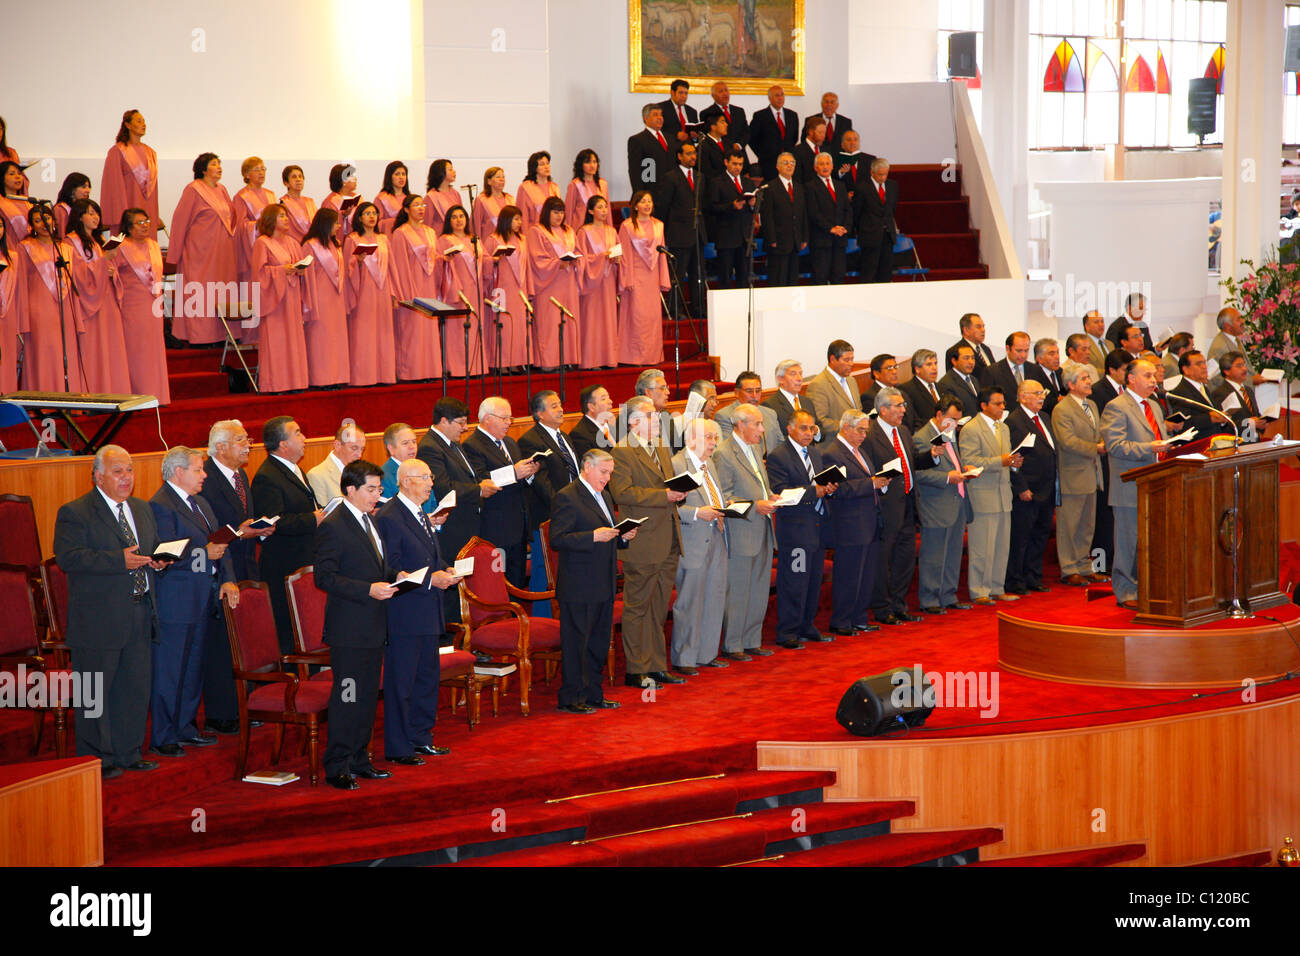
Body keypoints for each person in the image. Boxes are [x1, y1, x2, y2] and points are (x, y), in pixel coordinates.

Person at [53, 445, 165, 779]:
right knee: (96, 692)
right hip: (99, 618)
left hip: (139, 611)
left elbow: (147, 550)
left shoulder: (142, 509)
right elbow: (70, 558)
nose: (126, 477)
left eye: (129, 470)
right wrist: (120, 561)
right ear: (98, 475)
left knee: (134, 687)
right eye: (118, 471)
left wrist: (157, 562)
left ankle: (128, 753)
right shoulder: (76, 512)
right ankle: (95, 760)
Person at [315, 459, 400, 790]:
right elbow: (324, 577)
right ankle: (337, 765)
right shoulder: (334, 526)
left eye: (379, 489)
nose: (377, 495)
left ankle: (360, 759)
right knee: (348, 696)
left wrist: (397, 576)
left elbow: (378, 568)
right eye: (371, 489)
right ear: (350, 490)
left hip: (373, 626)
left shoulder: (370, 520)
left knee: (365, 697)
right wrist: (368, 590)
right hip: (349, 630)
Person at [148, 446, 237, 758]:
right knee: (171, 670)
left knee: (193, 668)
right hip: (176, 599)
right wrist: (203, 554)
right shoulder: (160, 505)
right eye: (199, 469)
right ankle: (163, 734)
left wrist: (227, 577)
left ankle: (185, 726)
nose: (204, 474)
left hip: (204, 597)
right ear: (178, 472)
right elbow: (164, 552)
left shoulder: (200, 502)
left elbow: (219, 542)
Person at [374, 458, 458, 760]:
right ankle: (398, 747)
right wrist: (429, 580)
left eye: (431, 476)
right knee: (402, 682)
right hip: (405, 613)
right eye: (425, 477)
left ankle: (421, 736)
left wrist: (445, 569)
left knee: (426, 678)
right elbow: (392, 567)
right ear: (406, 480)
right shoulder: (389, 516)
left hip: (428, 610)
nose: (431, 483)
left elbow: (430, 557)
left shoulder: (420, 512)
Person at [198, 420, 273, 734]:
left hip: (244, 566)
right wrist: (239, 534)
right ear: (221, 447)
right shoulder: (206, 478)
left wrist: (257, 531)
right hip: (214, 572)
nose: (248, 445)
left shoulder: (241, 474)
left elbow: (243, 523)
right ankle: (221, 713)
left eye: (248, 439)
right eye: (241, 440)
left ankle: (244, 704)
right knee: (220, 645)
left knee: (242, 641)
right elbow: (204, 531)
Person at [609, 395, 688, 688]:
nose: (658, 421)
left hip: (667, 536)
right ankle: (636, 668)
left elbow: (666, 485)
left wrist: (679, 492)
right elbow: (623, 493)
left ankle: (656, 665)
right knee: (638, 606)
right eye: (652, 417)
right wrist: (663, 496)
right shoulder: (622, 451)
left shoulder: (661, 447)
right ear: (633, 422)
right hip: (643, 539)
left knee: (658, 606)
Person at [550, 448, 634, 713]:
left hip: (604, 581)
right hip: (579, 584)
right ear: (587, 466)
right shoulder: (567, 496)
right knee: (578, 643)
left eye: (610, 473)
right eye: (603, 472)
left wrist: (622, 537)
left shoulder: (605, 496)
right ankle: (571, 698)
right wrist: (591, 537)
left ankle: (594, 694)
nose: (607, 478)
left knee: (598, 642)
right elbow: (558, 539)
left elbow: (608, 533)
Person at [711, 402, 779, 658]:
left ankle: (752, 639)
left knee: (759, 588)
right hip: (741, 530)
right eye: (757, 424)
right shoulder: (725, 453)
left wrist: (771, 496)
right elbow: (725, 497)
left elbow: (761, 484)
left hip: (762, 527)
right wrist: (755, 506)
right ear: (741, 425)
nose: (762, 430)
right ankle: (733, 644)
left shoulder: (753, 447)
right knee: (739, 589)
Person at [1101, 359, 1171, 609]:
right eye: (1148, 375)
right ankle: (1126, 591)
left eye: (1155, 376)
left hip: (1157, 482)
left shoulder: (1154, 405)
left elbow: (1161, 439)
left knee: (1152, 541)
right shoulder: (1116, 407)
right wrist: (1149, 448)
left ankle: (1149, 586)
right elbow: (1115, 446)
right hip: (1130, 485)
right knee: (1129, 542)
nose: (1154, 380)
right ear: (1131, 378)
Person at [765, 409, 838, 648]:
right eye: (804, 428)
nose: (809, 433)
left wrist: (827, 487)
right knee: (795, 581)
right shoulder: (779, 456)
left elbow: (817, 484)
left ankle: (807, 625)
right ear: (790, 429)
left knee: (813, 580)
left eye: (812, 428)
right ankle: (788, 631)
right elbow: (780, 492)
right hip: (795, 532)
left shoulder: (816, 454)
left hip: (817, 527)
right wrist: (813, 492)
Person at [417, 396, 493, 622]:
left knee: (468, 583)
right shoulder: (430, 447)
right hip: (452, 529)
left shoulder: (453, 443)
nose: (465, 427)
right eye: (460, 422)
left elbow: (469, 475)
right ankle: (453, 636)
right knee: (452, 586)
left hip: (468, 525)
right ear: (443, 421)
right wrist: (478, 490)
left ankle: (470, 631)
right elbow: (443, 487)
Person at [252, 416, 323, 654]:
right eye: (298, 433)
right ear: (283, 444)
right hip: (285, 566)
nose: (304, 438)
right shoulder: (267, 476)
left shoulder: (294, 469)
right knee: (291, 631)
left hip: (304, 560)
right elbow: (275, 521)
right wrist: (314, 518)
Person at [667, 417, 729, 674]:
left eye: (715, 437)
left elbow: (716, 496)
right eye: (708, 437)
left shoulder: (709, 464)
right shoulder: (676, 464)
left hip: (717, 535)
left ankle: (706, 652)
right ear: (691, 439)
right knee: (690, 600)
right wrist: (695, 513)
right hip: (692, 538)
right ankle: (685, 658)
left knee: (714, 596)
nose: (713, 442)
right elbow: (670, 506)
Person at [822, 408, 889, 634]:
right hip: (849, 524)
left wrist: (880, 482)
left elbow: (866, 479)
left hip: (868, 521)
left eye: (865, 431)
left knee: (866, 574)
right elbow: (836, 490)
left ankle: (859, 618)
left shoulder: (859, 450)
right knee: (848, 576)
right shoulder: (833, 453)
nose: (863, 435)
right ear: (846, 428)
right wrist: (871, 483)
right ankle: (841, 621)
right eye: (860, 430)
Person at [463, 397, 539, 587]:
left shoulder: (510, 443)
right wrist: (515, 472)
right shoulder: (472, 445)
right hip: (495, 528)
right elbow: (481, 480)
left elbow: (519, 480)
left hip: (518, 527)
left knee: (517, 581)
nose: (509, 423)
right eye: (504, 418)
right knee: (497, 584)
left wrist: (529, 473)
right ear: (487, 418)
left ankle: (518, 616)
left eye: (510, 418)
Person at [959, 386, 1023, 605]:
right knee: (982, 547)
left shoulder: (1003, 428)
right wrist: (1001, 461)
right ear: (983, 405)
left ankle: (997, 587)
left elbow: (1006, 458)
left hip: (1003, 493)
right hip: (982, 494)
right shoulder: (971, 429)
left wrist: (1013, 464)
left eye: (1003, 403)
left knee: (1001, 545)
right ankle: (979, 590)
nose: (1002, 408)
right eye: (997, 404)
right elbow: (969, 461)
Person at [863, 387, 921, 624]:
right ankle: (881, 607)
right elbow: (865, 468)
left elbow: (912, 461)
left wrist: (934, 456)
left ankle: (899, 604)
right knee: (883, 560)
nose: (903, 410)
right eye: (898, 406)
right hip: (884, 507)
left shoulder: (904, 431)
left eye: (903, 405)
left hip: (907, 502)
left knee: (905, 558)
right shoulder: (869, 433)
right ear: (883, 409)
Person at [167, 152, 237, 344]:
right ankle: (201, 336)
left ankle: (221, 335)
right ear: (203, 169)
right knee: (201, 293)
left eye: (219, 163)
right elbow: (180, 221)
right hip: (200, 251)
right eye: (214, 164)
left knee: (221, 291)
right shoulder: (193, 189)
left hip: (222, 250)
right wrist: (174, 256)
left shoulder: (222, 189)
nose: (219, 167)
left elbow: (232, 217)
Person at [912, 395, 974, 613]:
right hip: (935, 504)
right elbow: (918, 473)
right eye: (951, 419)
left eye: (957, 420)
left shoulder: (949, 434)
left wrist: (963, 470)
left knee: (953, 553)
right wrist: (947, 477)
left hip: (956, 501)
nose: (955, 424)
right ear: (939, 415)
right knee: (934, 555)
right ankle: (929, 599)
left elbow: (952, 462)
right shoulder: (922, 437)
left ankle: (948, 595)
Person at [15, 205, 86, 392]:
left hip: (65, 310)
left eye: (47, 219)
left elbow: (78, 281)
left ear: (54, 221)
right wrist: (23, 318)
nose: (44, 224)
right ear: (31, 226)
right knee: (44, 354)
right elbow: (20, 283)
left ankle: (69, 399)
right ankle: (45, 402)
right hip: (39, 309)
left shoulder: (66, 248)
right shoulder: (25, 248)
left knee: (66, 352)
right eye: (38, 221)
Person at [64, 199, 131, 394]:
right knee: (94, 350)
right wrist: (103, 263)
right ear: (79, 216)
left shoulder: (98, 241)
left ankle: (112, 391)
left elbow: (107, 268)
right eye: (90, 213)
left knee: (110, 349)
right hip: (90, 304)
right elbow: (76, 274)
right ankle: (94, 392)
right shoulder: (71, 242)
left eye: (96, 213)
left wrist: (111, 270)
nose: (95, 217)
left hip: (107, 300)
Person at [1052, 364, 1106, 587]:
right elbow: (1068, 442)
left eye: (1089, 377)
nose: (1088, 381)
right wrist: (1097, 448)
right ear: (1071, 384)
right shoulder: (1062, 409)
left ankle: (1084, 565)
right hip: (1072, 475)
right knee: (1069, 525)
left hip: (1092, 473)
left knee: (1087, 525)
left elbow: (1098, 432)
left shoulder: (1091, 404)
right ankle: (1069, 568)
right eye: (1083, 378)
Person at [1005, 380, 1059, 596]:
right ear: (1022, 396)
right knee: (1021, 538)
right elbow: (1012, 457)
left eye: (1043, 392)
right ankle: (1016, 580)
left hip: (1046, 487)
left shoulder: (1044, 417)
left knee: (1040, 535)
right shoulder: (1014, 421)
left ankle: (1033, 577)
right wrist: (1021, 487)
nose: (1042, 396)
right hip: (1027, 489)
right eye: (1037, 393)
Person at [111, 207, 170, 402]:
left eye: (147, 222)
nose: (145, 226)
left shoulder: (154, 245)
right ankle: (138, 394)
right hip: (131, 307)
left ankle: (157, 395)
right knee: (137, 351)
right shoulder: (119, 246)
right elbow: (108, 272)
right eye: (139, 223)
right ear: (128, 227)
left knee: (154, 351)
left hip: (154, 306)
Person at [250, 204, 309, 392]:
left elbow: (300, 265)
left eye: (286, 215)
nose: (286, 219)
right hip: (273, 299)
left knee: (293, 339)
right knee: (276, 341)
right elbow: (259, 273)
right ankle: (276, 384)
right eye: (281, 216)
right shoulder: (263, 243)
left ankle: (295, 382)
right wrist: (282, 270)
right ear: (270, 220)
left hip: (291, 296)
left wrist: (299, 269)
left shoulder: (292, 242)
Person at [389, 194, 444, 382]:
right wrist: (405, 293)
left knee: (428, 328)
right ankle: (411, 372)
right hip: (410, 286)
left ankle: (430, 371)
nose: (421, 208)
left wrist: (444, 260)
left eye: (423, 205)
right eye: (416, 205)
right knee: (411, 329)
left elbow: (433, 260)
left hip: (428, 285)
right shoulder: (401, 233)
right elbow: (399, 265)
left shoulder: (430, 232)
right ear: (406, 209)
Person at [344, 201, 398, 386]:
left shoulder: (383, 239)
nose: (372, 216)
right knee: (364, 332)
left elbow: (391, 267)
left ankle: (384, 375)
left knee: (383, 331)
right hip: (363, 290)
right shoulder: (352, 239)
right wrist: (357, 262)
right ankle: (363, 377)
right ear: (359, 217)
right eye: (367, 213)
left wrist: (393, 292)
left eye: (374, 213)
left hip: (382, 290)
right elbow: (347, 268)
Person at [525, 196, 581, 369]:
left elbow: (578, 250)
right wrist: (558, 263)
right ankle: (548, 362)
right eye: (555, 212)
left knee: (567, 320)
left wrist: (576, 260)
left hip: (568, 282)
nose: (559, 216)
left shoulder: (569, 230)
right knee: (549, 322)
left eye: (562, 212)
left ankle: (567, 359)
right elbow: (537, 259)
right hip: (549, 283)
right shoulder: (537, 231)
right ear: (547, 213)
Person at [616, 190, 670, 366]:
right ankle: (633, 356)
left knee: (652, 318)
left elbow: (661, 254)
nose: (647, 205)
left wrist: (663, 278)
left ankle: (651, 356)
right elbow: (624, 254)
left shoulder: (659, 225)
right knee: (636, 316)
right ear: (635, 205)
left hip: (652, 275)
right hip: (635, 275)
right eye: (643, 201)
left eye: (650, 201)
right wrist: (627, 278)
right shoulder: (627, 226)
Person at [298, 208, 351, 387]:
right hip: (319, 297)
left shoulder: (335, 244)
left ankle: (337, 377)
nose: (338, 226)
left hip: (336, 297)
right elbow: (307, 276)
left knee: (336, 338)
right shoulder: (310, 245)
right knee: (320, 338)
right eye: (335, 222)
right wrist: (309, 302)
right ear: (325, 223)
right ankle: (321, 379)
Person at [519, 389, 582, 528]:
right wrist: (564, 506)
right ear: (540, 414)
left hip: (575, 507)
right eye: (554, 407)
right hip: (552, 513)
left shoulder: (564, 436)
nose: (561, 410)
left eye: (560, 405)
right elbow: (541, 481)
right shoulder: (530, 440)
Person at [657, 142, 705, 316]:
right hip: (678, 234)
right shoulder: (671, 177)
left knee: (698, 274)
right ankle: (674, 309)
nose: (693, 156)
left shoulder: (700, 176)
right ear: (679, 156)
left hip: (697, 233)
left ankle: (699, 309)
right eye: (689, 153)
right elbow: (663, 206)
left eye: (694, 153)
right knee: (677, 274)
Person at [100, 110, 162, 241]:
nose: (143, 124)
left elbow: (153, 189)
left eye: (144, 121)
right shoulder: (118, 151)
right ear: (128, 125)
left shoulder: (151, 153)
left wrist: (154, 216)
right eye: (139, 121)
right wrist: (121, 218)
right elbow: (113, 187)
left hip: (147, 210)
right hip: (127, 208)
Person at [436, 204, 484, 377]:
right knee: (455, 329)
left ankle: (476, 367)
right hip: (455, 290)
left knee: (474, 327)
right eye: (454, 217)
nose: (458, 220)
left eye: (461, 216)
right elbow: (438, 262)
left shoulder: (475, 240)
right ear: (449, 221)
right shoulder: (444, 239)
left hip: (474, 289)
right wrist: (444, 259)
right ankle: (455, 368)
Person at [483, 203, 530, 370]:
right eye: (516, 219)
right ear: (506, 220)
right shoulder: (493, 239)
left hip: (518, 288)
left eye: (520, 219)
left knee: (517, 326)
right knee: (503, 324)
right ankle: (501, 362)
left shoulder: (522, 240)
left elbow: (527, 264)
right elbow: (484, 262)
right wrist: (494, 260)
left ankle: (516, 362)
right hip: (500, 287)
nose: (519, 223)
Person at [575, 195, 621, 368]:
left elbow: (618, 252)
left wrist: (616, 259)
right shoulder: (584, 231)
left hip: (608, 280)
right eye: (600, 207)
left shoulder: (611, 231)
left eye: (605, 207)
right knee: (592, 320)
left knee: (608, 319)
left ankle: (608, 358)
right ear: (591, 211)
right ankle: (591, 360)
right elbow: (581, 257)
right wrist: (603, 257)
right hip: (591, 281)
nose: (603, 210)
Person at [232, 157, 276, 312]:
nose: (261, 172)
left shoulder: (271, 195)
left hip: (272, 249)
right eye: (257, 169)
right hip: (252, 250)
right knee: (253, 294)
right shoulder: (241, 196)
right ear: (246, 174)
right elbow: (240, 226)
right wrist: (259, 225)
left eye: (263, 169)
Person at [708, 149, 756, 289]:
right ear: (726, 163)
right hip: (726, 237)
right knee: (725, 277)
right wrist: (732, 206)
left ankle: (741, 308)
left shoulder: (748, 183)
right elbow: (711, 208)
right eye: (734, 164)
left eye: (740, 164)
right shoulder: (717, 182)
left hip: (744, 237)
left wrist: (753, 205)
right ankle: (725, 309)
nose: (738, 167)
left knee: (744, 277)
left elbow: (753, 209)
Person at [761, 152, 807, 287]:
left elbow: (802, 214)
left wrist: (804, 237)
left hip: (795, 241)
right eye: (785, 163)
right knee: (778, 279)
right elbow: (767, 216)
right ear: (778, 167)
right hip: (778, 242)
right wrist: (772, 239)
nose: (789, 166)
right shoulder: (770, 187)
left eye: (792, 163)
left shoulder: (799, 187)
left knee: (793, 280)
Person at [806, 152, 851, 285]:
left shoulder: (840, 185)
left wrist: (845, 227)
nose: (825, 167)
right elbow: (813, 213)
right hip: (821, 240)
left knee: (838, 278)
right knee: (820, 278)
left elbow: (848, 210)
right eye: (821, 164)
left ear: (832, 166)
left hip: (840, 239)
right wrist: (831, 228)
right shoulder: (810, 186)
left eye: (827, 163)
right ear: (815, 168)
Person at [805, 339, 861, 441]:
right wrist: (849, 426)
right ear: (832, 359)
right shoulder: (818, 385)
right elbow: (820, 421)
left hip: (855, 441)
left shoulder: (851, 380)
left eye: (852, 359)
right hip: (834, 444)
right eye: (846, 360)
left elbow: (858, 410)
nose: (851, 363)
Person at [854, 158, 898, 284]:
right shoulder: (862, 188)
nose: (883, 177)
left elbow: (892, 208)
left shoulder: (893, 185)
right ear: (872, 172)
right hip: (870, 236)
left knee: (885, 272)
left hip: (888, 235)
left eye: (885, 174)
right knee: (869, 272)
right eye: (880, 174)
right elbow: (857, 212)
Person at [1170, 349, 1232, 437]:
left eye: (1204, 363)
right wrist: (1210, 418)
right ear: (1186, 370)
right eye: (1199, 364)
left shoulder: (1203, 388)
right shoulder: (1180, 392)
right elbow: (1182, 424)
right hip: (1199, 444)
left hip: (1215, 440)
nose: (1204, 367)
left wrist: (1221, 419)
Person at [308, 422, 367, 505]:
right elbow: (323, 515)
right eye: (354, 448)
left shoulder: (361, 472)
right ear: (338, 445)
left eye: (362, 449)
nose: (360, 455)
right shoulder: (317, 475)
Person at [748, 85, 799, 181]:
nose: (780, 98)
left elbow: (794, 138)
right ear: (770, 98)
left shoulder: (792, 115)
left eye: (782, 95)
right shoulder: (760, 116)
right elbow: (752, 139)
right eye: (777, 95)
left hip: (788, 163)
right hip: (768, 164)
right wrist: (763, 154)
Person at [716, 372, 780, 447]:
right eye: (749, 391)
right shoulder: (725, 416)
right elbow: (730, 448)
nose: (754, 395)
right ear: (737, 392)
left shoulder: (770, 413)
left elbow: (780, 443)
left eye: (758, 391)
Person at [627, 105, 673, 207]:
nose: (660, 118)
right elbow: (635, 170)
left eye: (661, 115)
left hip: (671, 194)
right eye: (655, 115)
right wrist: (641, 195)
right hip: (652, 194)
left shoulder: (670, 138)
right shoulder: (638, 140)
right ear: (646, 118)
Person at [1212, 351, 1269, 433]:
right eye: (1239, 366)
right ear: (1226, 371)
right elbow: (1224, 425)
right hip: (1237, 442)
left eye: (1244, 365)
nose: (1244, 369)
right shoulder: (1220, 393)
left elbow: (1254, 415)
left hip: (1253, 440)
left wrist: (1262, 422)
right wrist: (1248, 423)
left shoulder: (1248, 390)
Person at [1207, 307, 1265, 386]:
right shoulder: (1220, 347)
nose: (1243, 321)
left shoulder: (1233, 339)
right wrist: (1251, 380)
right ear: (1227, 326)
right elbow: (1218, 378)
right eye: (1238, 319)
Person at [763, 358, 814, 436]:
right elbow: (775, 438)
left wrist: (816, 430)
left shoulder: (807, 401)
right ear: (780, 379)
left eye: (800, 374)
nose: (799, 378)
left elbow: (821, 431)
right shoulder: (770, 405)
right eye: (793, 374)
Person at [899, 348, 943, 433]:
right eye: (929, 364)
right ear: (917, 369)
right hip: (926, 436)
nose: (934, 368)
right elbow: (913, 421)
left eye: (935, 363)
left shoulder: (942, 387)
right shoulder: (906, 390)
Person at [0, 214, 21, 395]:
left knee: (6, 357)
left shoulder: (13, 257)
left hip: (7, 314)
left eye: (0, 226)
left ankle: (7, 396)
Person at [565, 148, 609, 232]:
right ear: (581, 165)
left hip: (600, 229)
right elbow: (569, 212)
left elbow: (608, 211)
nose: (592, 165)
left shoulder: (602, 184)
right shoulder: (575, 185)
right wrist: (568, 233)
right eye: (588, 162)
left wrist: (609, 228)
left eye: (594, 162)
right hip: (580, 229)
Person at [568, 383, 616, 459]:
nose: (610, 401)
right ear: (591, 407)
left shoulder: (615, 426)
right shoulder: (580, 434)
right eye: (603, 399)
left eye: (608, 397)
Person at [516, 151, 562, 231]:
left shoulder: (554, 187)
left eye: (547, 163)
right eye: (542, 164)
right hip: (534, 232)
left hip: (553, 234)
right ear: (534, 168)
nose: (546, 167)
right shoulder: (525, 187)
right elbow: (523, 216)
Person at [981, 331, 1033, 395]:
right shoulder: (992, 372)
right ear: (1008, 349)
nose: (1023, 355)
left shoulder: (1035, 370)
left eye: (1026, 350)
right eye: (1019, 351)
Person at [699, 81, 749, 149]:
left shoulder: (739, 111)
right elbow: (708, 136)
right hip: (719, 153)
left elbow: (746, 132)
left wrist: (739, 145)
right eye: (720, 91)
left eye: (726, 90)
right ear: (713, 96)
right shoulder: (706, 113)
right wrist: (729, 147)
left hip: (739, 154)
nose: (725, 94)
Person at [472, 166, 514, 243]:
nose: (502, 179)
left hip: (509, 243)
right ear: (489, 181)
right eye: (498, 177)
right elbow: (475, 226)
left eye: (503, 177)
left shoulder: (510, 199)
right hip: (489, 244)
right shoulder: (481, 199)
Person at [939, 343, 981, 417]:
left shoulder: (974, 380)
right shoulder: (946, 383)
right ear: (954, 361)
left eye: (973, 358)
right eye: (966, 358)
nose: (971, 362)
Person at [279, 165, 317, 245]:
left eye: (300, 177)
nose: (298, 179)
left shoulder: (310, 202)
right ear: (286, 183)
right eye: (294, 177)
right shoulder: (284, 203)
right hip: (293, 246)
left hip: (312, 245)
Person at [379, 422, 419, 499]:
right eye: (405, 443)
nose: (412, 446)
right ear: (391, 449)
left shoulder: (422, 468)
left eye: (414, 442)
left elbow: (432, 503)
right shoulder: (384, 477)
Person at [422, 158, 462, 234]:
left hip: (455, 236)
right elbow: (427, 224)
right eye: (450, 169)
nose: (454, 171)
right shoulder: (431, 197)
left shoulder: (456, 194)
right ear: (440, 173)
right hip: (439, 237)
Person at [1027, 338, 1066, 416]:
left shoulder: (1060, 372)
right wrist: (1058, 400)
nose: (1057, 357)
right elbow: (1037, 402)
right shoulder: (1033, 376)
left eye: (1057, 352)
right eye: (1052, 354)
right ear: (1039, 359)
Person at [321, 163, 361, 238]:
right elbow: (327, 227)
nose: (355, 179)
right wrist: (343, 216)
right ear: (343, 181)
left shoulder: (357, 198)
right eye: (351, 176)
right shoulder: (330, 202)